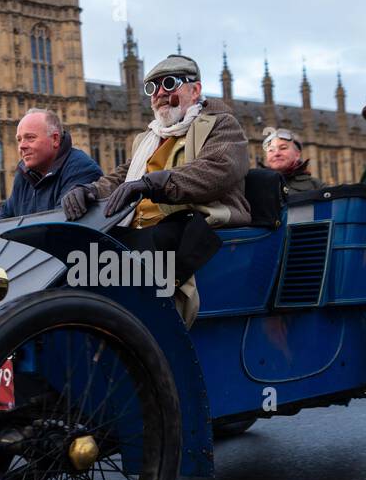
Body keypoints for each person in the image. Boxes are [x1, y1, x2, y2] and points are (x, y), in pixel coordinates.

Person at [62, 53, 250, 324]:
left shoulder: (221, 124)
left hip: (192, 224)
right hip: (142, 232)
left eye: (170, 84)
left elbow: (217, 170)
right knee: (80, 252)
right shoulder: (148, 139)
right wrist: (89, 191)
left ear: (195, 89)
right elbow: (119, 179)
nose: (160, 93)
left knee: (147, 251)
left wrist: (154, 183)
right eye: (152, 87)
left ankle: (151, 336)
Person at [0, 108, 102, 219]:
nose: (22, 146)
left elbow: (58, 226)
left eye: (30, 138)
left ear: (55, 139)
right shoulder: (24, 174)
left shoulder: (81, 169)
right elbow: (2, 220)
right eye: (19, 139)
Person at [261, 128, 322, 192]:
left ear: (297, 154)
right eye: (271, 150)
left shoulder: (317, 186)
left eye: (283, 148)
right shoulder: (255, 185)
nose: (276, 153)